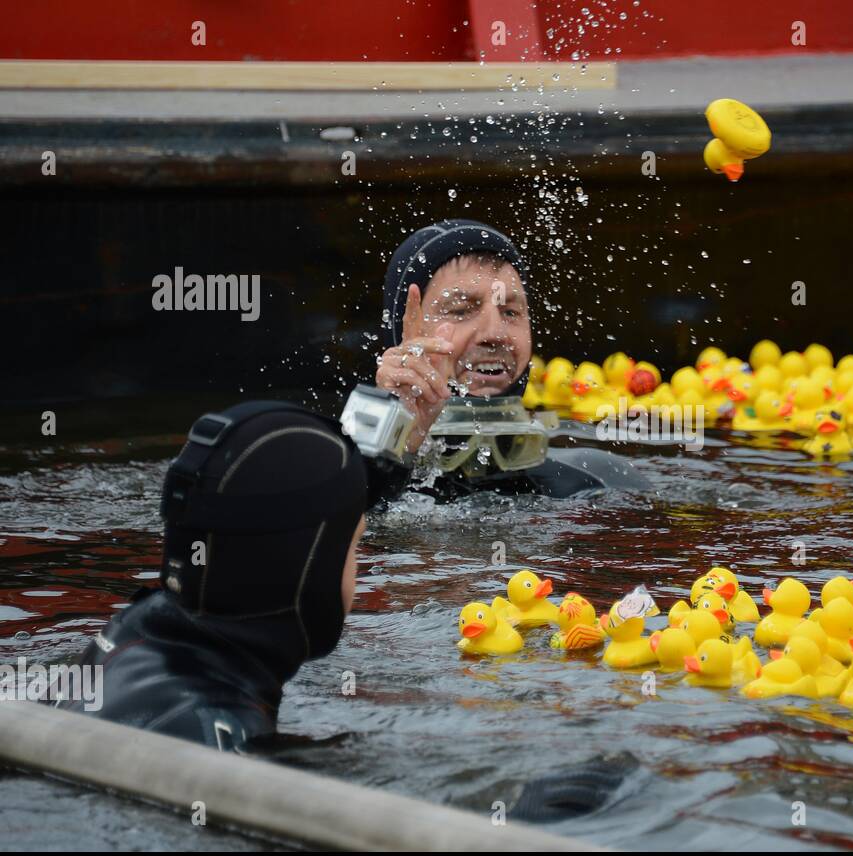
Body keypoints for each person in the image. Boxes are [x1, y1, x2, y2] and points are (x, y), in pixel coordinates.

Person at [58, 401, 369, 751]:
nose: (358, 568)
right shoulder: (218, 741)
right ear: (310, 564)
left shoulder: (140, 628)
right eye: (354, 546)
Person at [373, 219, 646, 500]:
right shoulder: (346, 473)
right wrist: (395, 448)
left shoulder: (598, 482)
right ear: (402, 328)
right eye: (461, 310)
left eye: (511, 312)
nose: (495, 334)